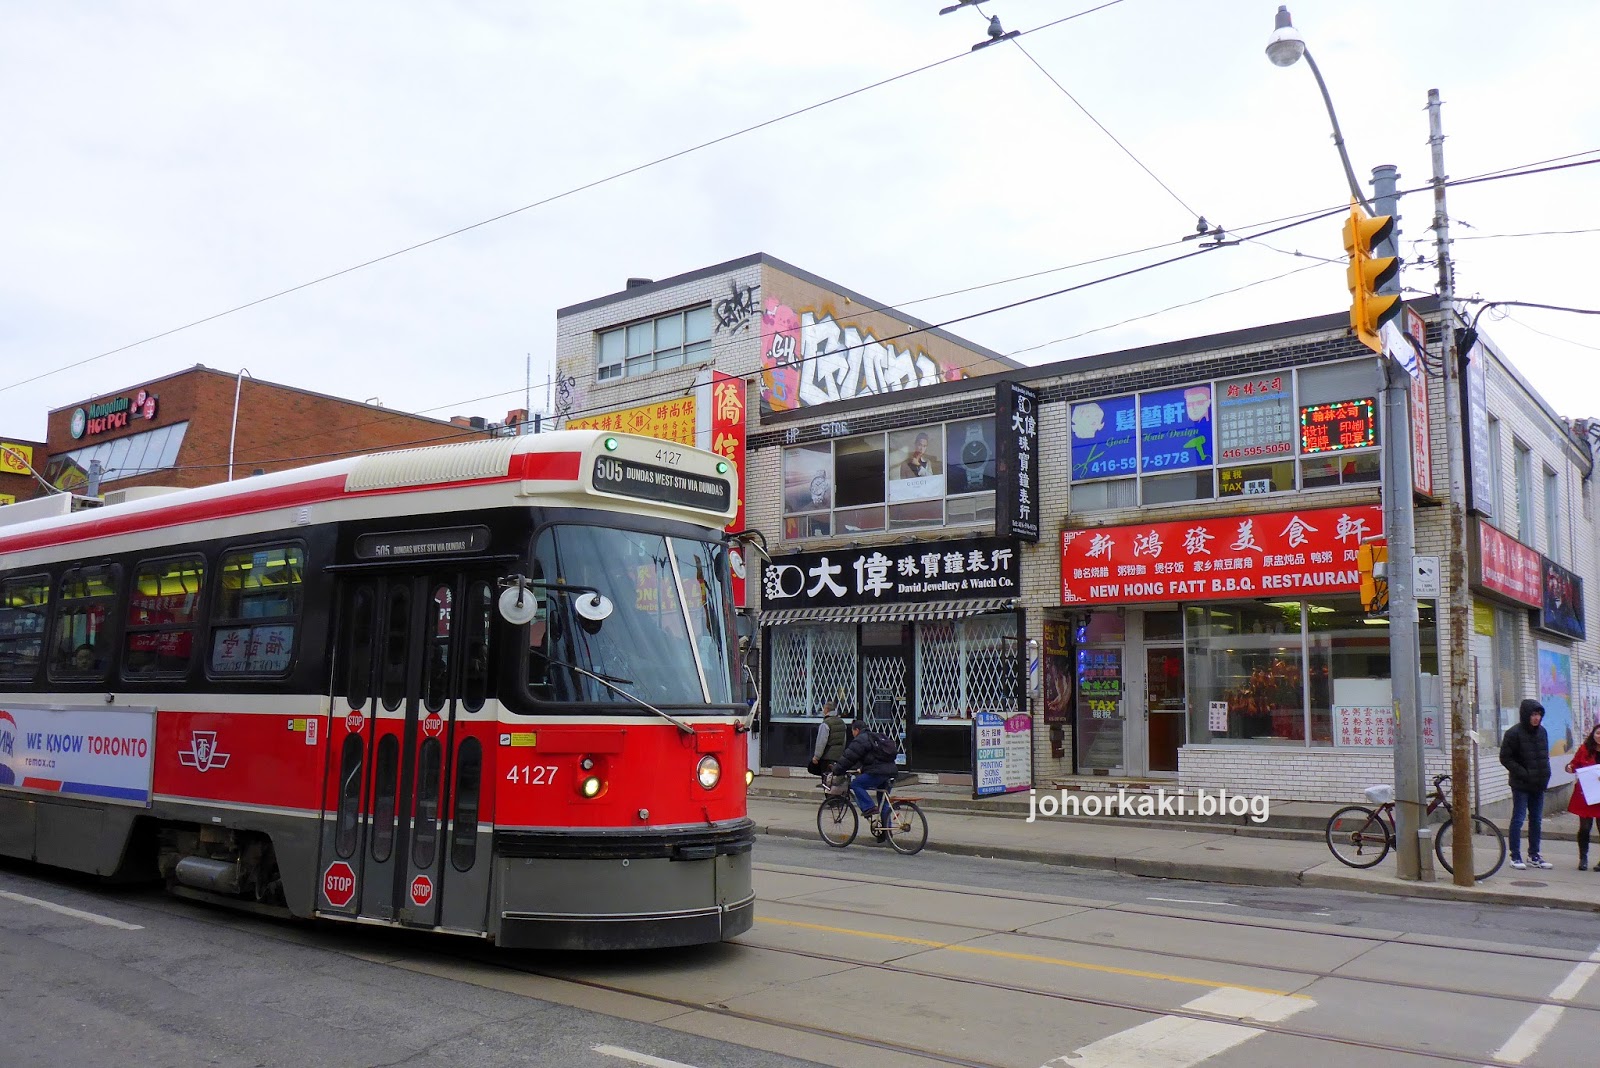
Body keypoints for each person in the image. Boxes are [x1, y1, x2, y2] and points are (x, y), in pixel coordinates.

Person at [1500, 698, 1554, 870]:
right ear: (1526, 715)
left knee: (1536, 820)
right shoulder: (1513, 733)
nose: (1536, 718)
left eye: (1538, 714)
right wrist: (1524, 773)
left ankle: (1534, 854)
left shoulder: (1542, 732)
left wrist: (1545, 774)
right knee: (1518, 818)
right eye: (1533, 714)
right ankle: (1515, 855)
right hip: (1521, 784)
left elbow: (1544, 756)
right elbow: (1505, 758)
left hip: (1538, 784)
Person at [833, 718, 898, 832]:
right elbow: (874, 758)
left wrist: (837, 769)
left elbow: (849, 758)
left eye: (852, 731)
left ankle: (869, 807)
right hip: (890, 771)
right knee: (883, 803)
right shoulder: (875, 736)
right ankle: (886, 832)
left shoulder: (860, 740)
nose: (852, 734)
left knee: (856, 784)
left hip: (878, 773)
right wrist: (862, 769)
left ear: (857, 730)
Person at [1564, 722, 1600, 871]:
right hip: (1587, 793)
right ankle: (1583, 857)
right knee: (1585, 828)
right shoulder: (1585, 749)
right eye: (1597, 733)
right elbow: (1574, 765)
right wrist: (1569, 768)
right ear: (1593, 734)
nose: (1599, 737)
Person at [808, 701, 847, 785]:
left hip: (827, 756)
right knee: (835, 780)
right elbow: (844, 740)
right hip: (839, 756)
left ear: (826, 709)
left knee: (827, 780)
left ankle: (829, 797)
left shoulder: (826, 723)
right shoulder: (841, 722)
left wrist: (816, 756)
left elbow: (821, 741)